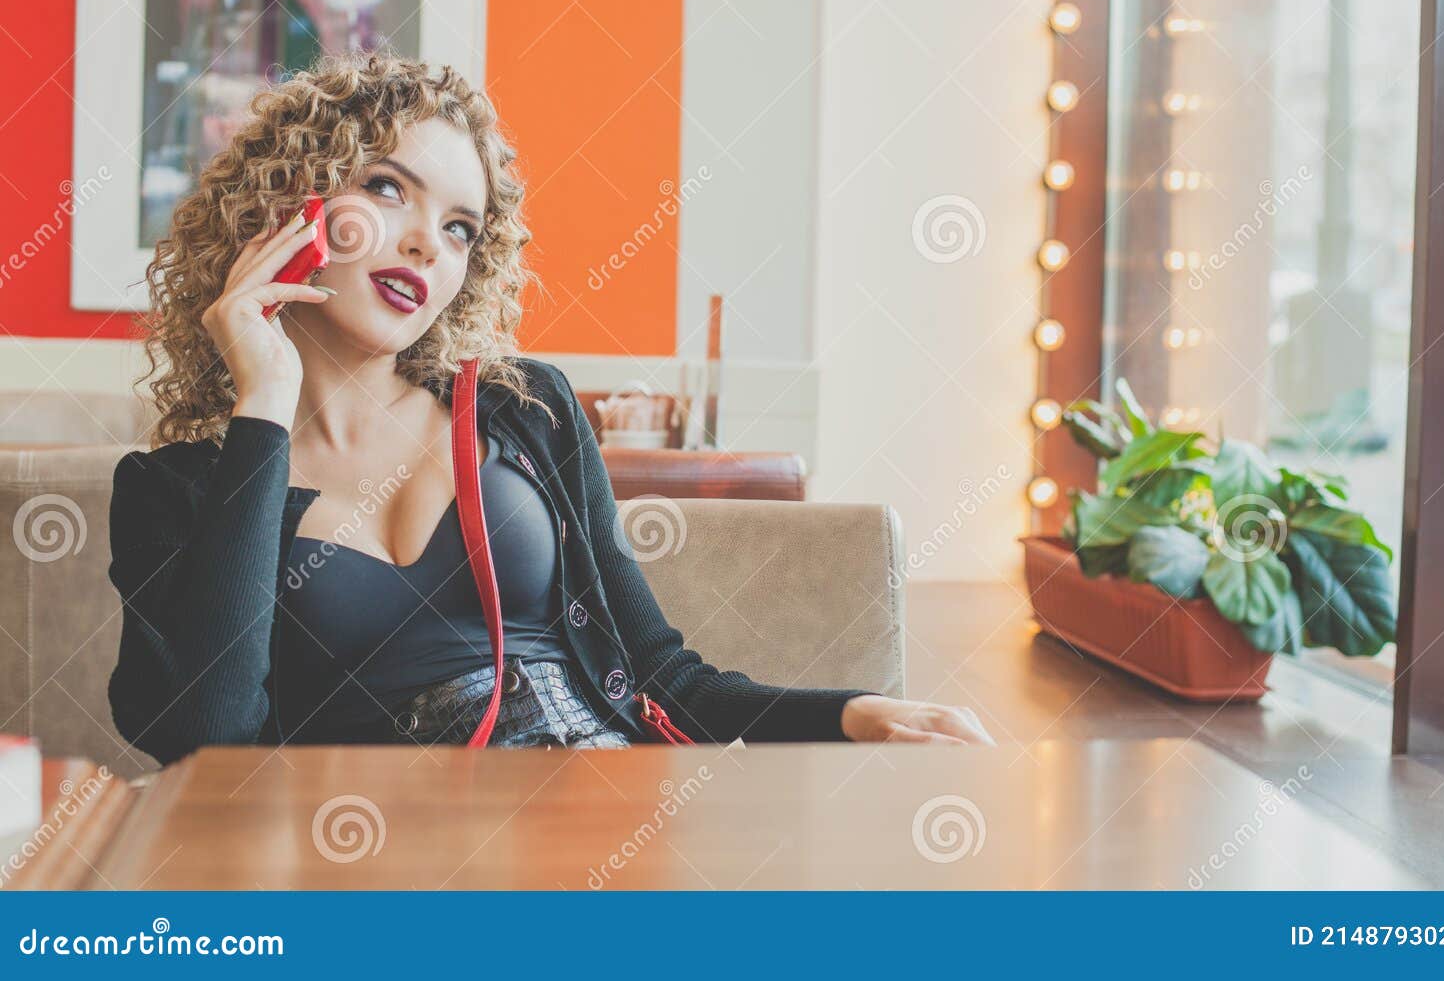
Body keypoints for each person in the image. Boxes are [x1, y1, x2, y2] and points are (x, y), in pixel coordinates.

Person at [107, 51, 995, 765]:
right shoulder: (174, 491)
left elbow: (659, 673)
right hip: (393, 875)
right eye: (387, 187)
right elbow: (207, 744)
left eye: (460, 226)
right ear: (286, 208)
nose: (427, 239)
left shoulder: (521, 409)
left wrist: (859, 713)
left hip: (607, 827)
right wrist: (265, 399)